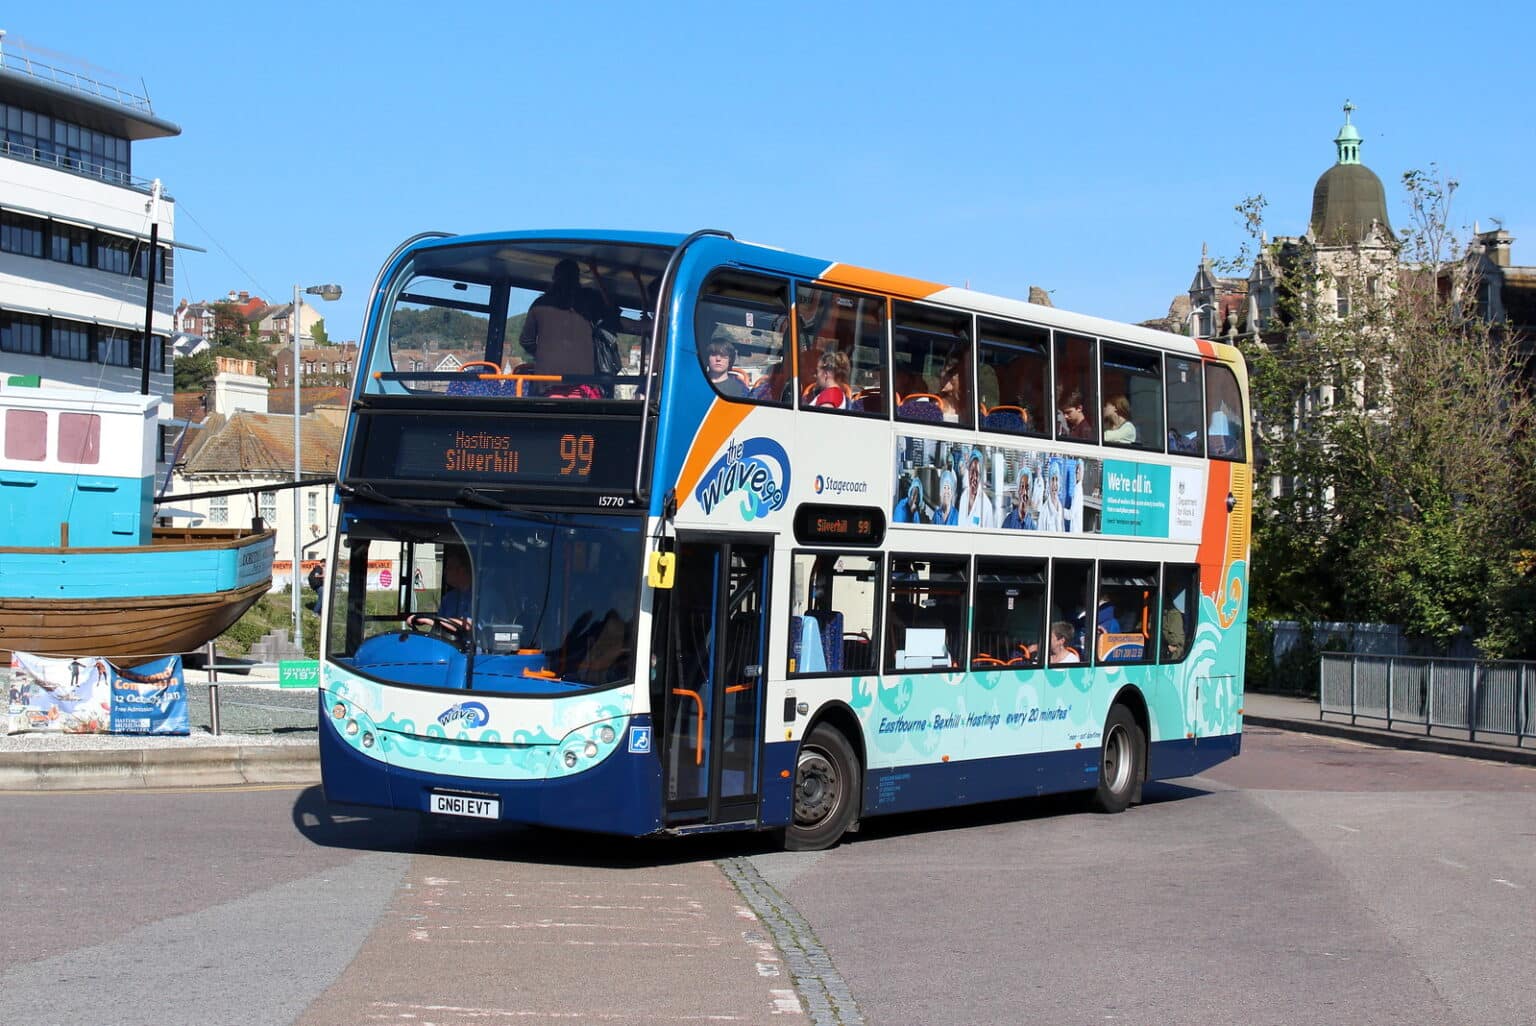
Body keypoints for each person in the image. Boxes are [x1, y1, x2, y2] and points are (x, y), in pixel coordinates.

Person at [519, 258, 608, 385]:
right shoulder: (591, 300)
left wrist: (546, 354)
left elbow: (526, 341)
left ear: (554, 277)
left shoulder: (540, 305)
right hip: (583, 381)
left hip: (547, 381)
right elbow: (612, 318)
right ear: (578, 278)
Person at [407, 545, 472, 632]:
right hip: (447, 643)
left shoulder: (480, 597)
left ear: (462, 570)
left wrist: (428, 620)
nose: (445, 571)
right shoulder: (449, 598)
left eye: (449, 567)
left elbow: (466, 625)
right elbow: (439, 627)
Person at [958, 448, 996, 528]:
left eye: (977, 474)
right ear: (968, 473)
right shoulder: (964, 496)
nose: (974, 478)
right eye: (972, 472)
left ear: (981, 477)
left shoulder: (986, 506)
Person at [702, 330, 748, 396]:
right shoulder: (696, 382)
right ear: (707, 358)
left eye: (723, 355)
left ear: (730, 359)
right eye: (713, 354)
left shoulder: (740, 389)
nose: (718, 359)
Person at [1037, 468, 1065, 532]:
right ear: (1048, 484)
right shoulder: (1044, 511)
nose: (1054, 484)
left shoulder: (1060, 508)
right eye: (1052, 480)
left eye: (1056, 479)